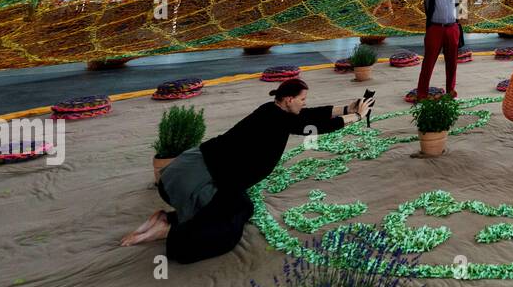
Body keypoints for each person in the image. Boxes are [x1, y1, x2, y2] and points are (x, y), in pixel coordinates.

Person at [121, 79, 372, 260]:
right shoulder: (278, 118)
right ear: (288, 100)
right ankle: (169, 230)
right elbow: (313, 126)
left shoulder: (272, 110)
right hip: (204, 179)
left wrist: (348, 108)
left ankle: (163, 218)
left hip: (202, 169)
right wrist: (357, 118)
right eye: (302, 99)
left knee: (243, 207)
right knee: (227, 231)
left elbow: (308, 115)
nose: (304, 103)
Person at [416, 0, 469, 100]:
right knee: (429, 62)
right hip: (435, 29)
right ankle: (421, 94)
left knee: (452, 62)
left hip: (452, 28)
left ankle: (450, 91)